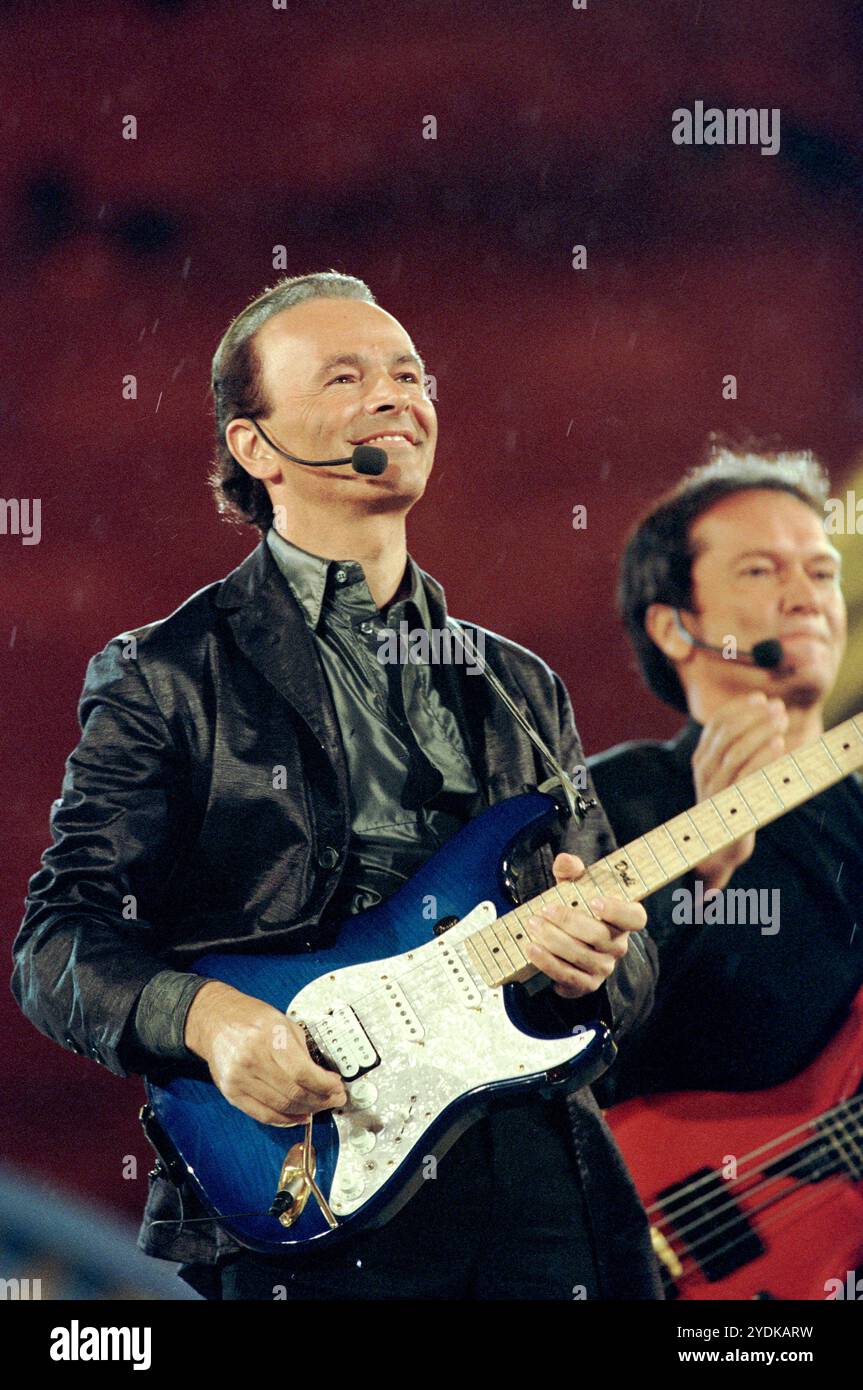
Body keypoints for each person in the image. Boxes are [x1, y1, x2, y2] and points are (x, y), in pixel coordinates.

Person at [12, 271, 660, 1301]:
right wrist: (213, 1024)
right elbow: (56, 944)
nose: (395, 395)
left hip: (546, 1188)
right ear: (255, 447)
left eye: (409, 374)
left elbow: (627, 975)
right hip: (308, 1174)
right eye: (345, 377)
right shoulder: (168, 673)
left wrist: (593, 962)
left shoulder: (520, 684)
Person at [588, 447, 863, 1103]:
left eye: (822, 572)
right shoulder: (608, 800)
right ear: (675, 627)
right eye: (760, 569)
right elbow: (582, 1044)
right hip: (687, 1189)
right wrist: (701, 876)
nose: (806, 598)